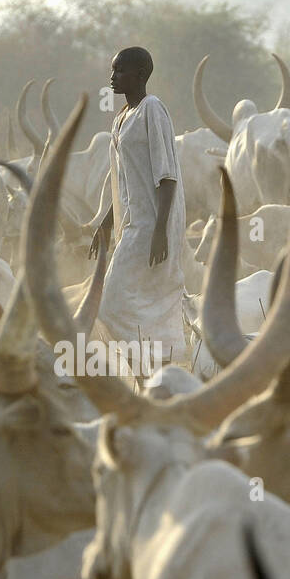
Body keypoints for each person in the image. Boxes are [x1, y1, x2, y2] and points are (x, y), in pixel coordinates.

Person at [88, 46, 188, 369]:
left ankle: (157, 367)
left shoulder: (152, 109)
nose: (112, 77)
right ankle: (150, 373)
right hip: (131, 226)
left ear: (140, 75)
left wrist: (161, 229)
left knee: (111, 302)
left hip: (150, 226)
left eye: (119, 71)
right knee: (134, 303)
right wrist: (104, 224)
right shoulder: (119, 121)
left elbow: (167, 175)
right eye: (112, 71)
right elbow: (124, 184)